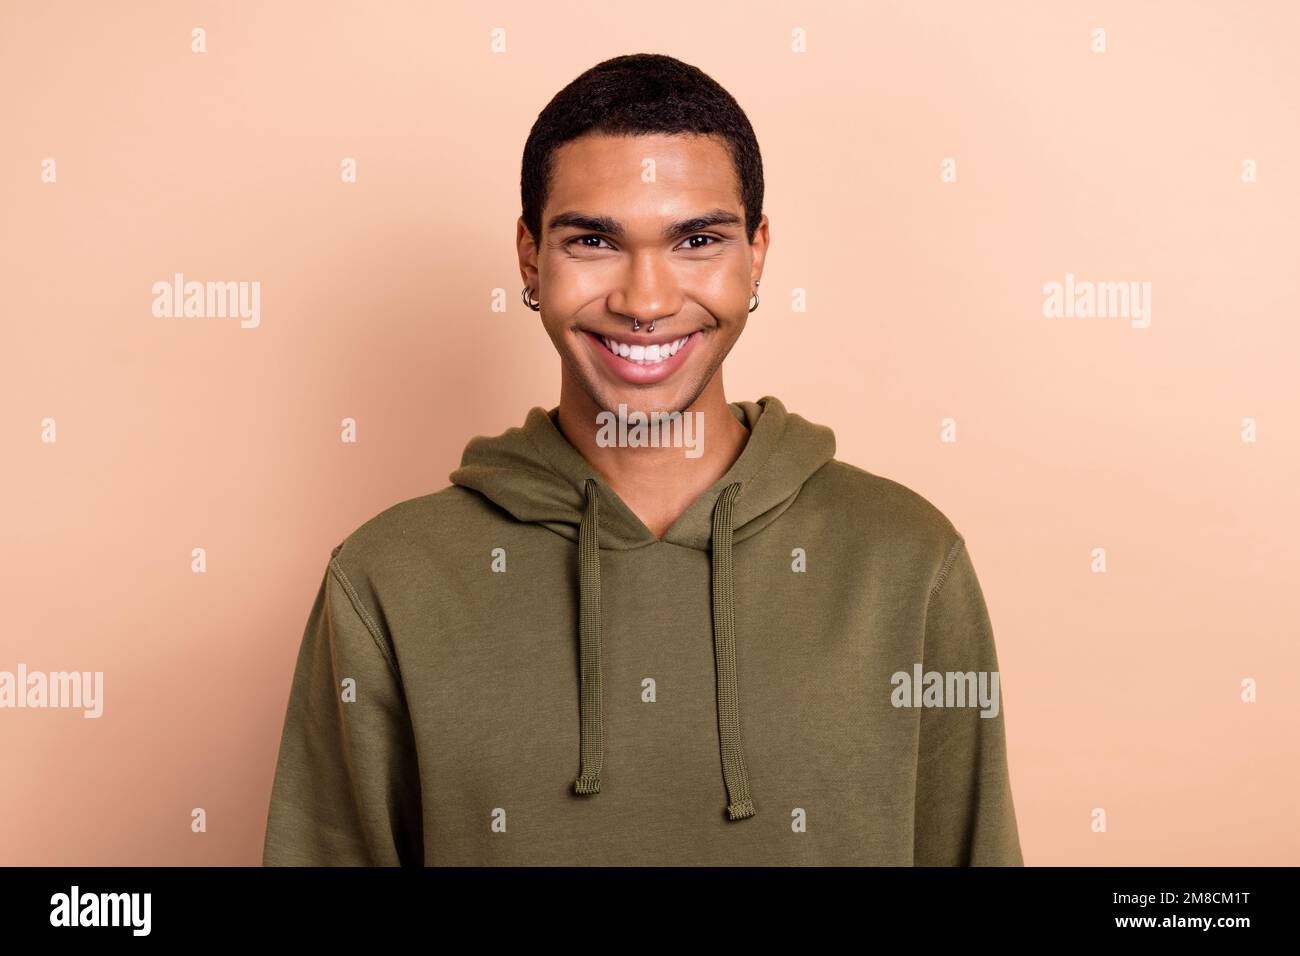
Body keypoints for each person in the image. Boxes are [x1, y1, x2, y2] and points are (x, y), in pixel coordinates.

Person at [262, 52, 1024, 866]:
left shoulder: (908, 561)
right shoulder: (385, 580)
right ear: (530, 257)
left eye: (697, 240)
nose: (646, 301)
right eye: (594, 240)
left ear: (757, 253)